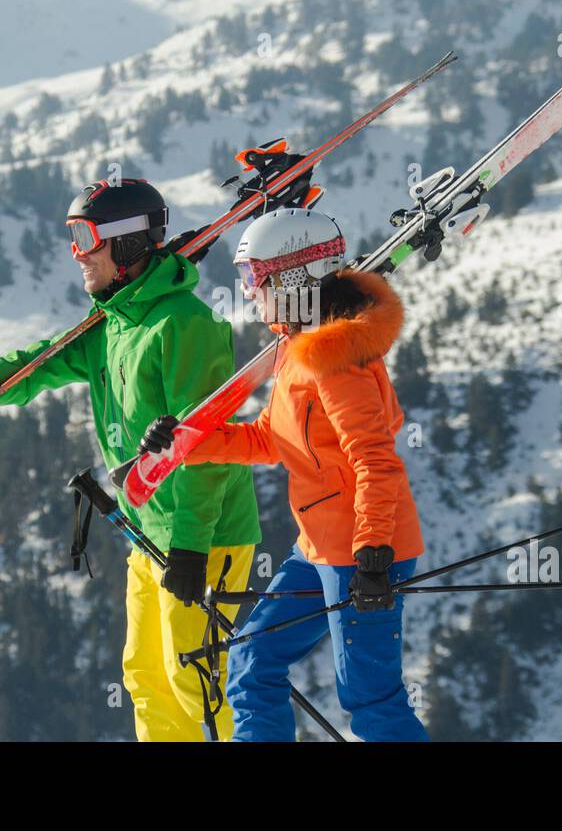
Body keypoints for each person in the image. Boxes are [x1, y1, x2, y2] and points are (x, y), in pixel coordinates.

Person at [0, 178, 260, 741]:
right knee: (146, 679)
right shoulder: (110, 326)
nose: (75, 252)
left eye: (85, 237)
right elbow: (34, 366)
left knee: (196, 682)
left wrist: (191, 544)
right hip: (150, 532)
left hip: (206, 535)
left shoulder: (184, 325)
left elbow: (206, 445)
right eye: (73, 235)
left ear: (127, 244)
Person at [138, 207, 429, 741]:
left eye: (256, 279)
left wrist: (373, 553)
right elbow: (269, 439)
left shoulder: (336, 358)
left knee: (371, 703)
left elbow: (375, 458)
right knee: (252, 665)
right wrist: (184, 444)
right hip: (317, 547)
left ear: (295, 278)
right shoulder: (297, 350)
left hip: (363, 551)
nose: (248, 292)